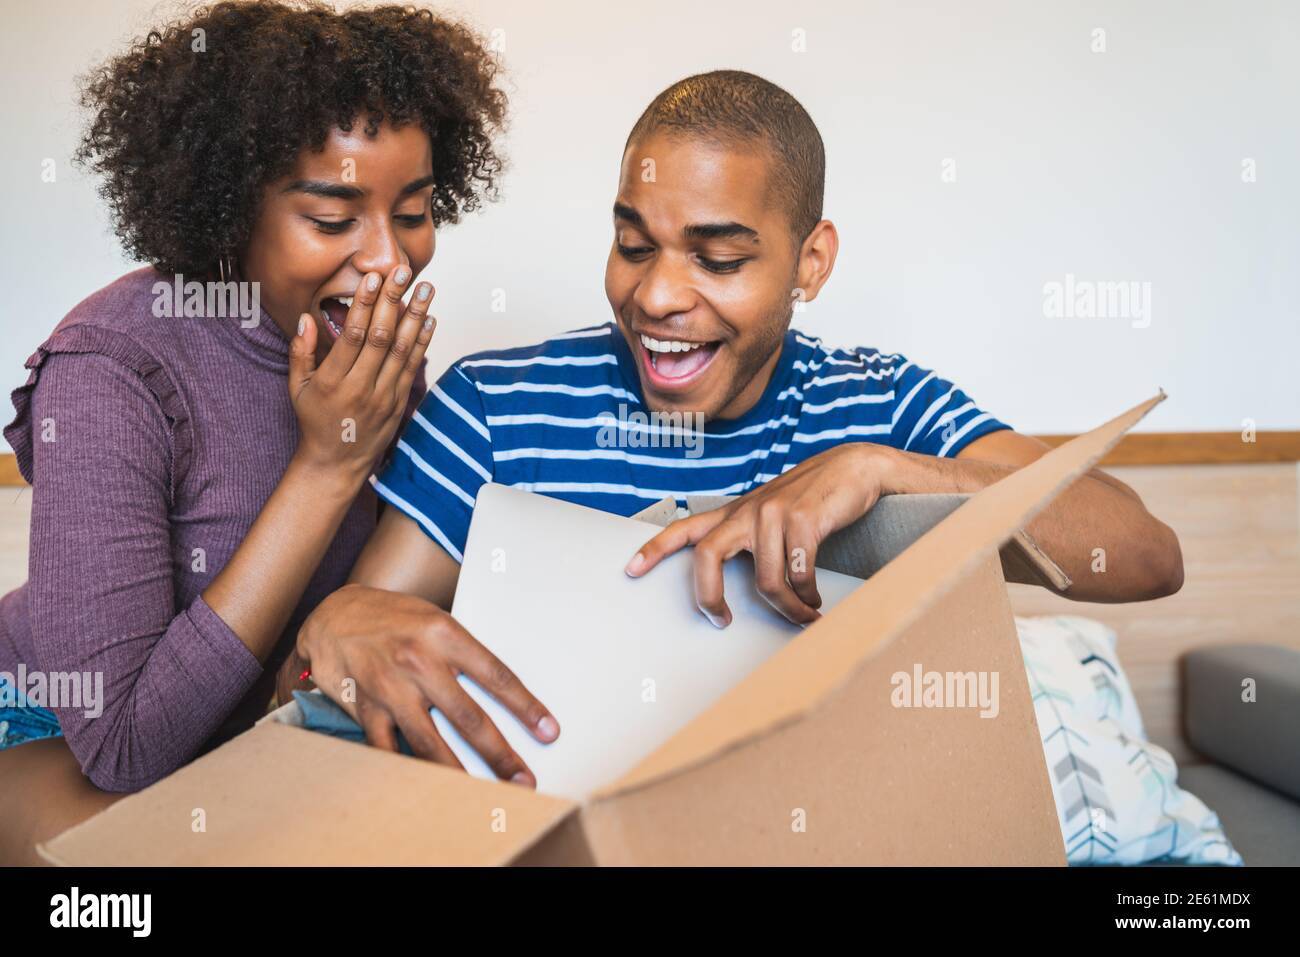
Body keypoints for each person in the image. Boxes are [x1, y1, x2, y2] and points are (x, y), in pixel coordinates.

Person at [286, 70, 1184, 787]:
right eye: (634, 244)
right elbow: (372, 633)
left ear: (811, 263)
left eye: (718, 258)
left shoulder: (884, 405)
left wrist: (880, 469)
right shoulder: (496, 405)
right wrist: (341, 624)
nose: (658, 295)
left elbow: (1143, 553)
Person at [0, 0, 515, 865]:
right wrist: (327, 466)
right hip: (49, 728)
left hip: (251, 730)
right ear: (233, 207)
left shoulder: (369, 343)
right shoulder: (112, 371)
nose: (390, 260)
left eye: (415, 210)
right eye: (332, 218)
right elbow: (123, 745)